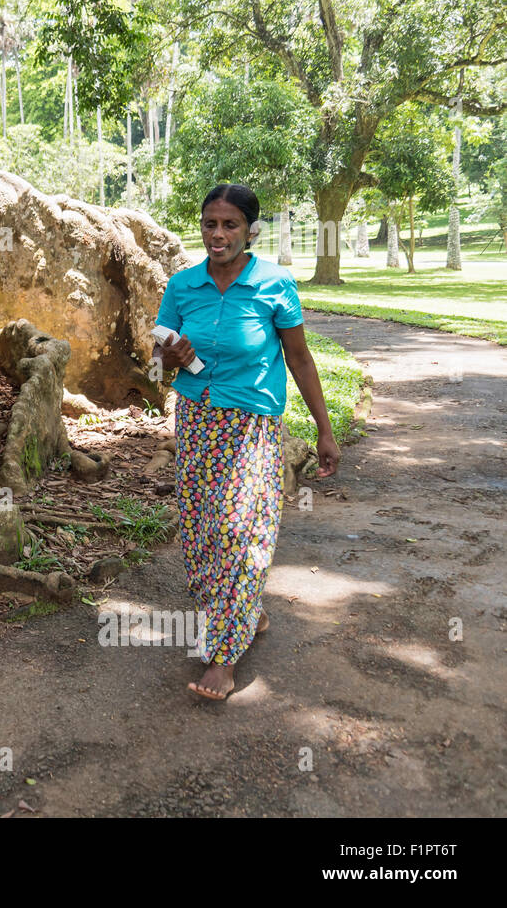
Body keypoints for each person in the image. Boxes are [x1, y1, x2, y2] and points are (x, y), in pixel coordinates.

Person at [154, 183, 341, 701]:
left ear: (250, 230)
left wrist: (324, 431)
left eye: (230, 224)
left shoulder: (274, 285)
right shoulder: (183, 285)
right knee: (201, 533)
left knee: (240, 531)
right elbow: (156, 355)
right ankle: (245, 611)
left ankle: (222, 655)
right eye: (210, 224)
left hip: (250, 426)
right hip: (195, 422)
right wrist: (167, 358)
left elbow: (300, 359)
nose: (218, 234)